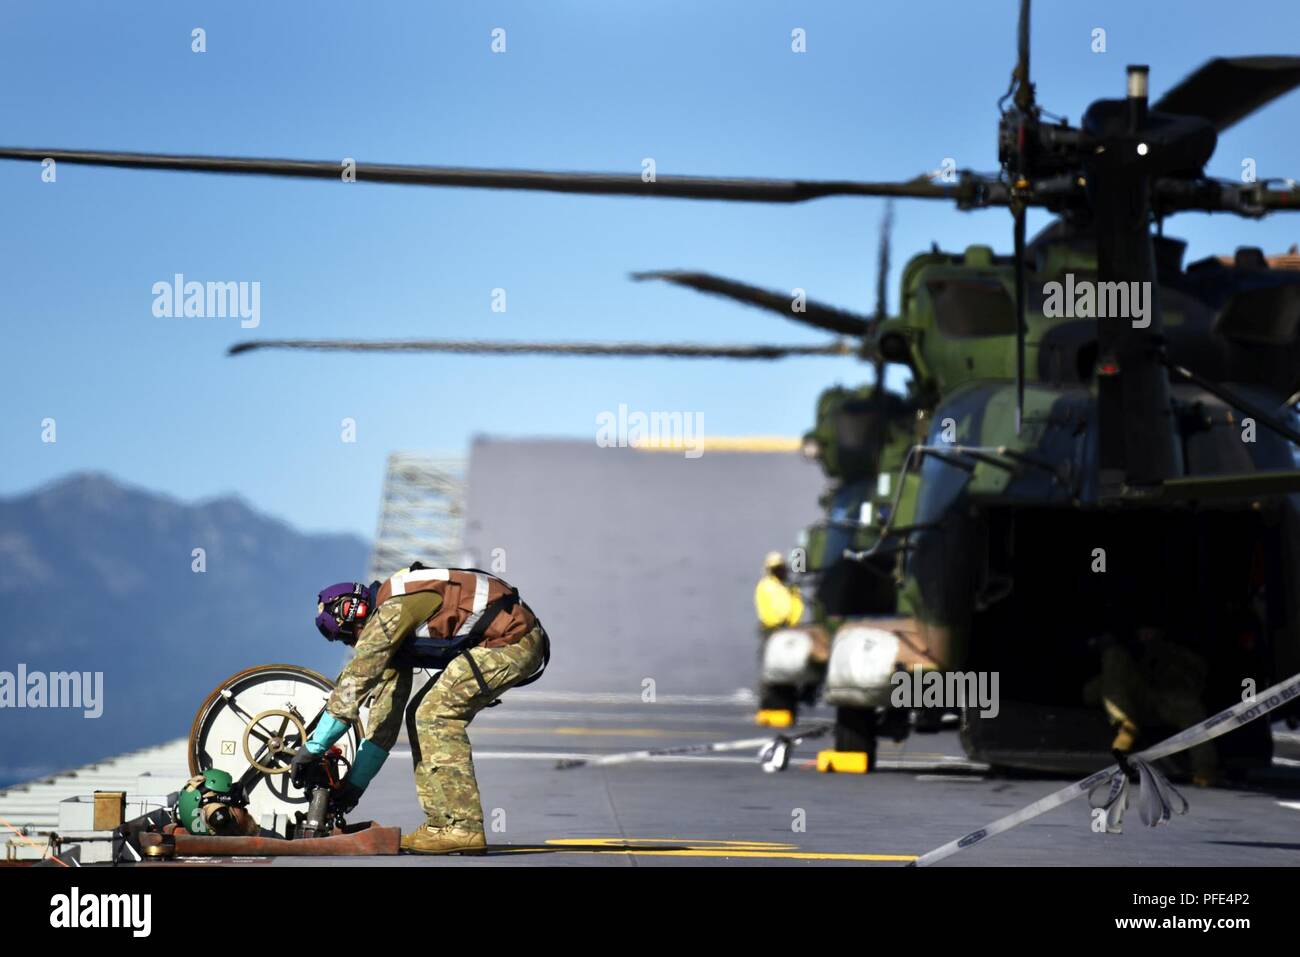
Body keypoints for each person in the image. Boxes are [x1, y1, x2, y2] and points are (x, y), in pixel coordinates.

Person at [291, 563, 549, 853]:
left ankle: (463, 826)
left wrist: (313, 747)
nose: (355, 645)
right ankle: (441, 824)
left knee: (436, 714)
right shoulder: (395, 629)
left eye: (349, 637)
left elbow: (357, 678)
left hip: (513, 641)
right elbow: (383, 725)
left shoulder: (392, 610)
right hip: (503, 641)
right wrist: (351, 790)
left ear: (354, 614)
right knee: (419, 714)